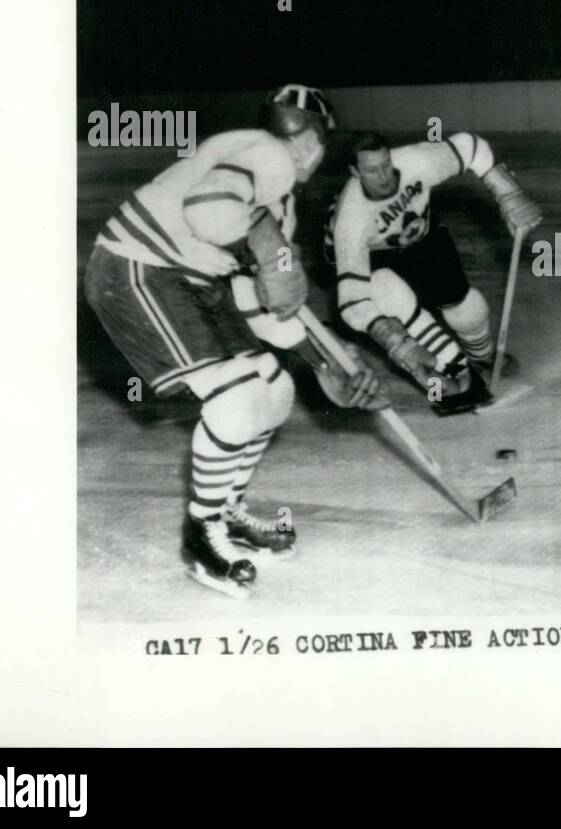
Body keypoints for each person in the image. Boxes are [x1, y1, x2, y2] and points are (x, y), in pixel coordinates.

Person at [83, 84, 385, 597]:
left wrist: (324, 361)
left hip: (184, 280)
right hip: (138, 267)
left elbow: (259, 311)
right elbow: (208, 210)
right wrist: (273, 251)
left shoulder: (269, 191)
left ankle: (225, 511)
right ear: (313, 141)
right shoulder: (269, 155)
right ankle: (202, 535)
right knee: (240, 389)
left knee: (272, 383)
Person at [328, 129, 542, 414]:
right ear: (354, 172)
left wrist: (507, 191)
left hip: (425, 237)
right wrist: (396, 342)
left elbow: (470, 147)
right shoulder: (350, 221)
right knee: (392, 297)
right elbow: (353, 301)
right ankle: (449, 376)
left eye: (386, 165)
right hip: (374, 256)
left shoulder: (414, 161)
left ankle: (484, 357)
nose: (384, 177)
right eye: (371, 170)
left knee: (467, 308)